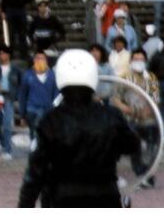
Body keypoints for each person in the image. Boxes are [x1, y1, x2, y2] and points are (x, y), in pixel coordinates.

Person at [18, 48, 141, 207]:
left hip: (59, 199)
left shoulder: (50, 120)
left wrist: (24, 205)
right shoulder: (111, 116)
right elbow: (132, 145)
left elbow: (35, 172)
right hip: (104, 197)